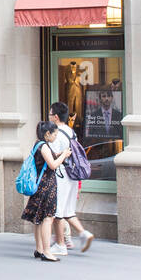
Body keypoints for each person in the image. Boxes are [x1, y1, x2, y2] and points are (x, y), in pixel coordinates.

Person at [48, 101, 95, 255]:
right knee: (68, 210)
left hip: (61, 174)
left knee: (58, 212)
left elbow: (53, 155)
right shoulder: (70, 131)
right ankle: (83, 233)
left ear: (55, 116)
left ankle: (61, 244)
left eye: (50, 114)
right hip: (72, 175)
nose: (49, 117)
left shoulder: (57, 134)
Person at [23, 121, 69, 262]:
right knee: (47, 218)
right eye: (55, 134)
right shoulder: (44, 147)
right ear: (47, 134)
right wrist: (64, 155)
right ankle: (47, 251)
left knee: (38, 219)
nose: (56, 136)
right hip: (46, 186)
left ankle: (39, 249)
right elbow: (53, 165)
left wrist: (60, 154)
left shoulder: (38, 144)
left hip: (39, 185)